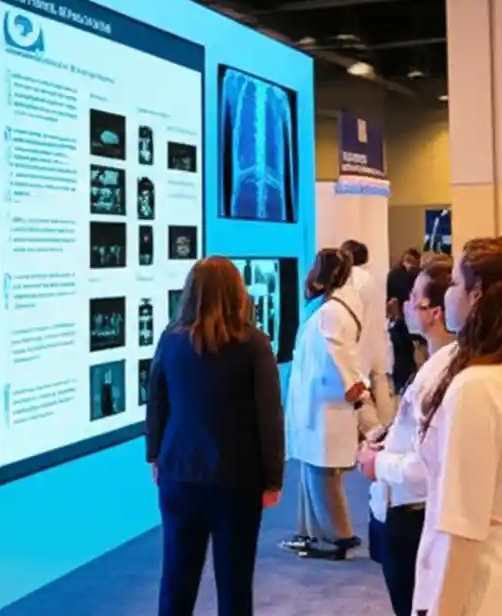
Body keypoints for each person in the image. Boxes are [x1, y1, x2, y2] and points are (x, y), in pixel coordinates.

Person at [413, 239, 502, 616]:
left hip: (484, 582)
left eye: (454, 283)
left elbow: (462, 527)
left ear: (476, 295)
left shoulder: (476, 387)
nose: (448, 294)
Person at [145, 257, 285, 616]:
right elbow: (269, 416)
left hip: (179, 473)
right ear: (237, 293)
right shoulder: (254, 344)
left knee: (176, 579)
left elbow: (157, 401)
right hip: (237, 480)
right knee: (235, 583)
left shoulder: (170, 340)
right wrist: (273, 478)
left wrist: (155, 454)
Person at [357, 260, 455, 616]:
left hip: (415, 510)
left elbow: (428, 465)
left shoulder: (448, 373)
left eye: (415, 298)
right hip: (402, 505)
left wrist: (377, 462)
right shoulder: (435, 364)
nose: (407, 305)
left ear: (435, 312)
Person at [284, 248, 381, 560]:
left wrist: (356, 392)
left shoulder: (332, 311)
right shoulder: (331, 306)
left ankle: (338, 537)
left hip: (326, 405)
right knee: (313, 470)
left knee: (322, 472)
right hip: (319, 402)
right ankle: (313, 534)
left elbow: (340, 357)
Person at [341, 239, 395, 425]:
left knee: (361, 395)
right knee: (381, 385)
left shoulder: (352, 280)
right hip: (378, 337)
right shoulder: (375, 277)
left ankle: (372, 430)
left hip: (361, 341)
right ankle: (386, 427)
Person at [386, 248, 423, 394]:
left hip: (398, 319)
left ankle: (402, 384)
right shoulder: (408, 275)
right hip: (404, 318)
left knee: (401, 353)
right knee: (406, 353)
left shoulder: (394, 274)